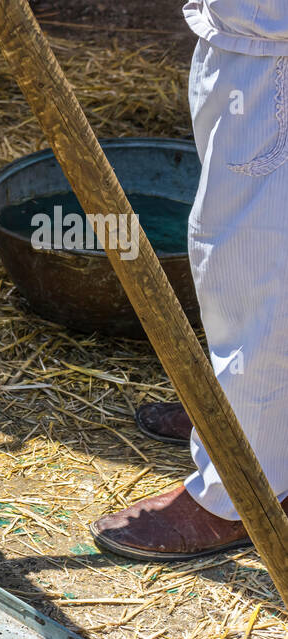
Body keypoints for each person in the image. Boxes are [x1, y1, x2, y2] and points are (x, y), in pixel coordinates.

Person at [92, 0, 288, 560]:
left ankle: (246, 487)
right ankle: (251, 417)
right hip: (252, 42)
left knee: (257, 264)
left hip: (274, 50)